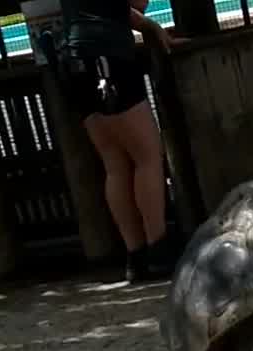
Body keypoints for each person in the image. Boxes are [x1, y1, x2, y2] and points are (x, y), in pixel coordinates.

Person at [55, 0, 177, 282]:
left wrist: (148, 26)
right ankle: (158, 249)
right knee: (147, 156)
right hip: (107, 55)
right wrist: (148, 23)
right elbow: (138, 4)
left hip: (76, 60)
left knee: (115, 163)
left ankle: (136, 256)